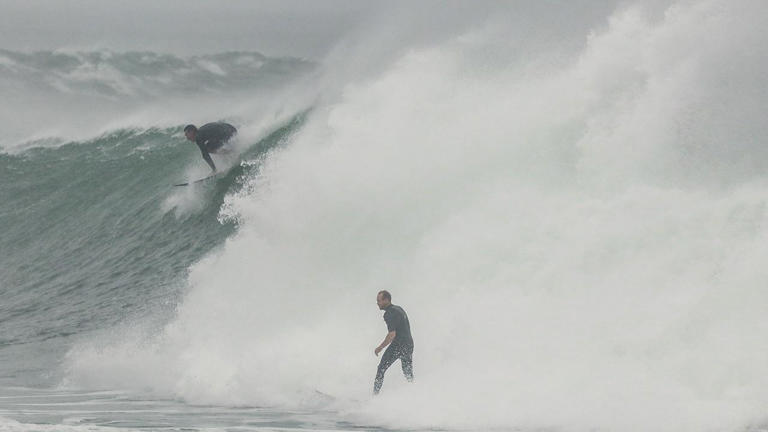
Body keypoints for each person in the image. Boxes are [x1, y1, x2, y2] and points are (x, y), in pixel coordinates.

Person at [373, 290, 414, 395]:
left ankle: (374, 396)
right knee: (408, 373)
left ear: (386, 300)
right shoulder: (399, 308)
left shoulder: (389, 313)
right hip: (409, 344)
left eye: (379, 301)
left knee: (381, 369)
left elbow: (392, 334)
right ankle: (414, 392)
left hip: (398, 345)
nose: (377, 303)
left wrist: (380, 347)